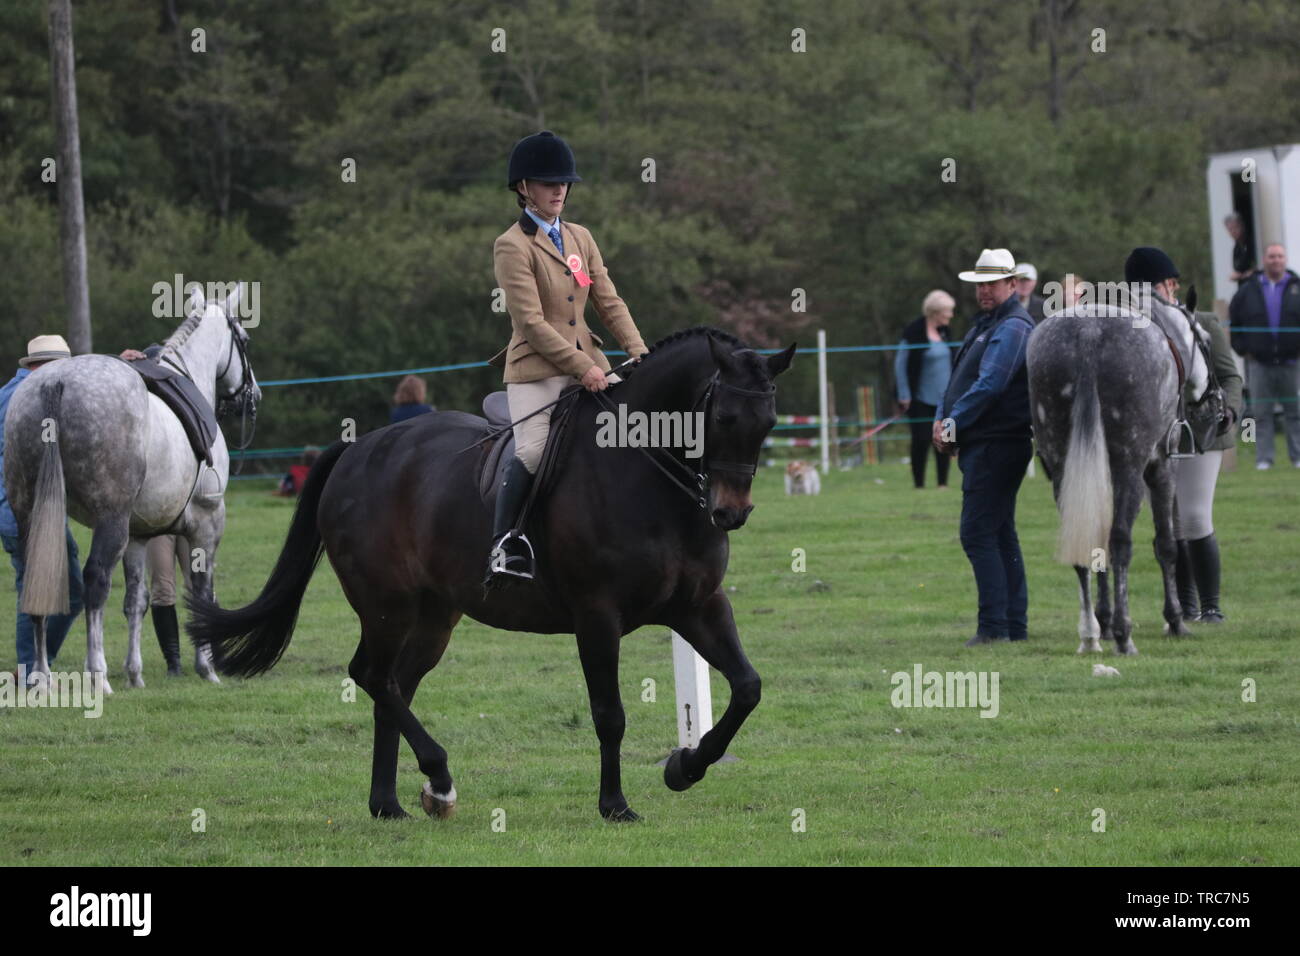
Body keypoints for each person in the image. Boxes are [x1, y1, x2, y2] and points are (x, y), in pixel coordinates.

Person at [485, 130, 649, 583]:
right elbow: (532, 324)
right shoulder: (511, 246)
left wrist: (639, 353)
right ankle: (505, 543)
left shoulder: (580, 237)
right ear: (524, 188)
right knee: (535, 452)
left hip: (591, 364)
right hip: (536, 369)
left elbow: (609, 302)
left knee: (637, 432)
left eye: (564, 182)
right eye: (547, 182)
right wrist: (585, 368)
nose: (559, 190)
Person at [933, 249, 1035, 647]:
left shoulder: (1012, 327)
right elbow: (960, 377)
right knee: (999, 532)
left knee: (977, 533)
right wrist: (943, 418)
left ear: (1012, 284)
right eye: (980, 284)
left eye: (992, 283)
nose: (984, 291)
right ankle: (1013, 625)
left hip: (999, 442)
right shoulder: (987, 325)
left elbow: (990, 384)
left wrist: (951, 423)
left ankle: (995, 627)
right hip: (985, 441)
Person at [1, 335, 84, 684]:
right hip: (22, 509)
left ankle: (37, 662)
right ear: (49, 365)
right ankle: (29, 668)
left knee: (65, 587)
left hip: (23, 508)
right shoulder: (32, 398)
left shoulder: (10, 392)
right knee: (44, 587)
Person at [1173, 307, 1242, 624]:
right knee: (1172, 521)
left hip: (1204, 431)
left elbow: (1230, 376)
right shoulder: (1134, 324)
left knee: (1196, 517)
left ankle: (1211, 607)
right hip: (1158, 434)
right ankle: (1185, 606)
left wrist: (1227, 408)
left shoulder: (1203, 322)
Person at [1229, 243, 1300, 469]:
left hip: (1292, 363)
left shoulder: (1296, 287)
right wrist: (1243, 350)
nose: (1276, 260)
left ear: (1285, 259)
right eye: (1271, 256)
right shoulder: (1247, 290)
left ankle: (1297, 457)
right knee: (1260, 414)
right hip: (1258, 364)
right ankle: (1263, 459)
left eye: (1280, 256)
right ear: (1265, 260)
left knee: (1295, 412)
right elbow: (1235, 324)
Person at [893, 290, 955, 488]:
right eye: (948, 311)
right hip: (919, 398)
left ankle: (942, 483)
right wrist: (904, 395)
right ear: (936, 312)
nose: (951, 315)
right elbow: (900, 365)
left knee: (946, 440)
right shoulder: (914, 332)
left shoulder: (946, 333)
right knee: (920, 440)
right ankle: (919, 484)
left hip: (945, 397)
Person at [1225, 212, 1255, 285]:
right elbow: (1237, 269)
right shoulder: (1237, 248)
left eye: (1235, 227)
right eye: (1230, 230)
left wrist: (1245, 274)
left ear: (1242, 226)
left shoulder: (1253, 243)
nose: (1233, 232)